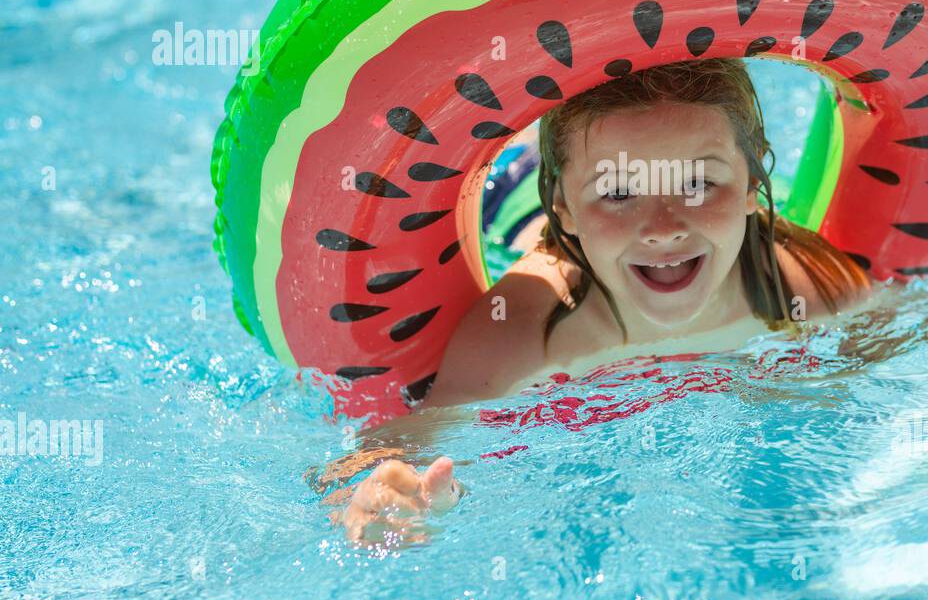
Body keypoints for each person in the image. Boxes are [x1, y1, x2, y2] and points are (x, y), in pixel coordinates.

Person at [332, 57, 874, 542]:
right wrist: (401, 496)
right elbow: (396, 451)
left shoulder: (809, 293)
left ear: (754, 182)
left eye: (698, 185)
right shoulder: (520, 333)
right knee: (525, 177)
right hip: (515, 201)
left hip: (576, 198)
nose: (663, 229)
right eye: (619, 193)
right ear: (564, 206)